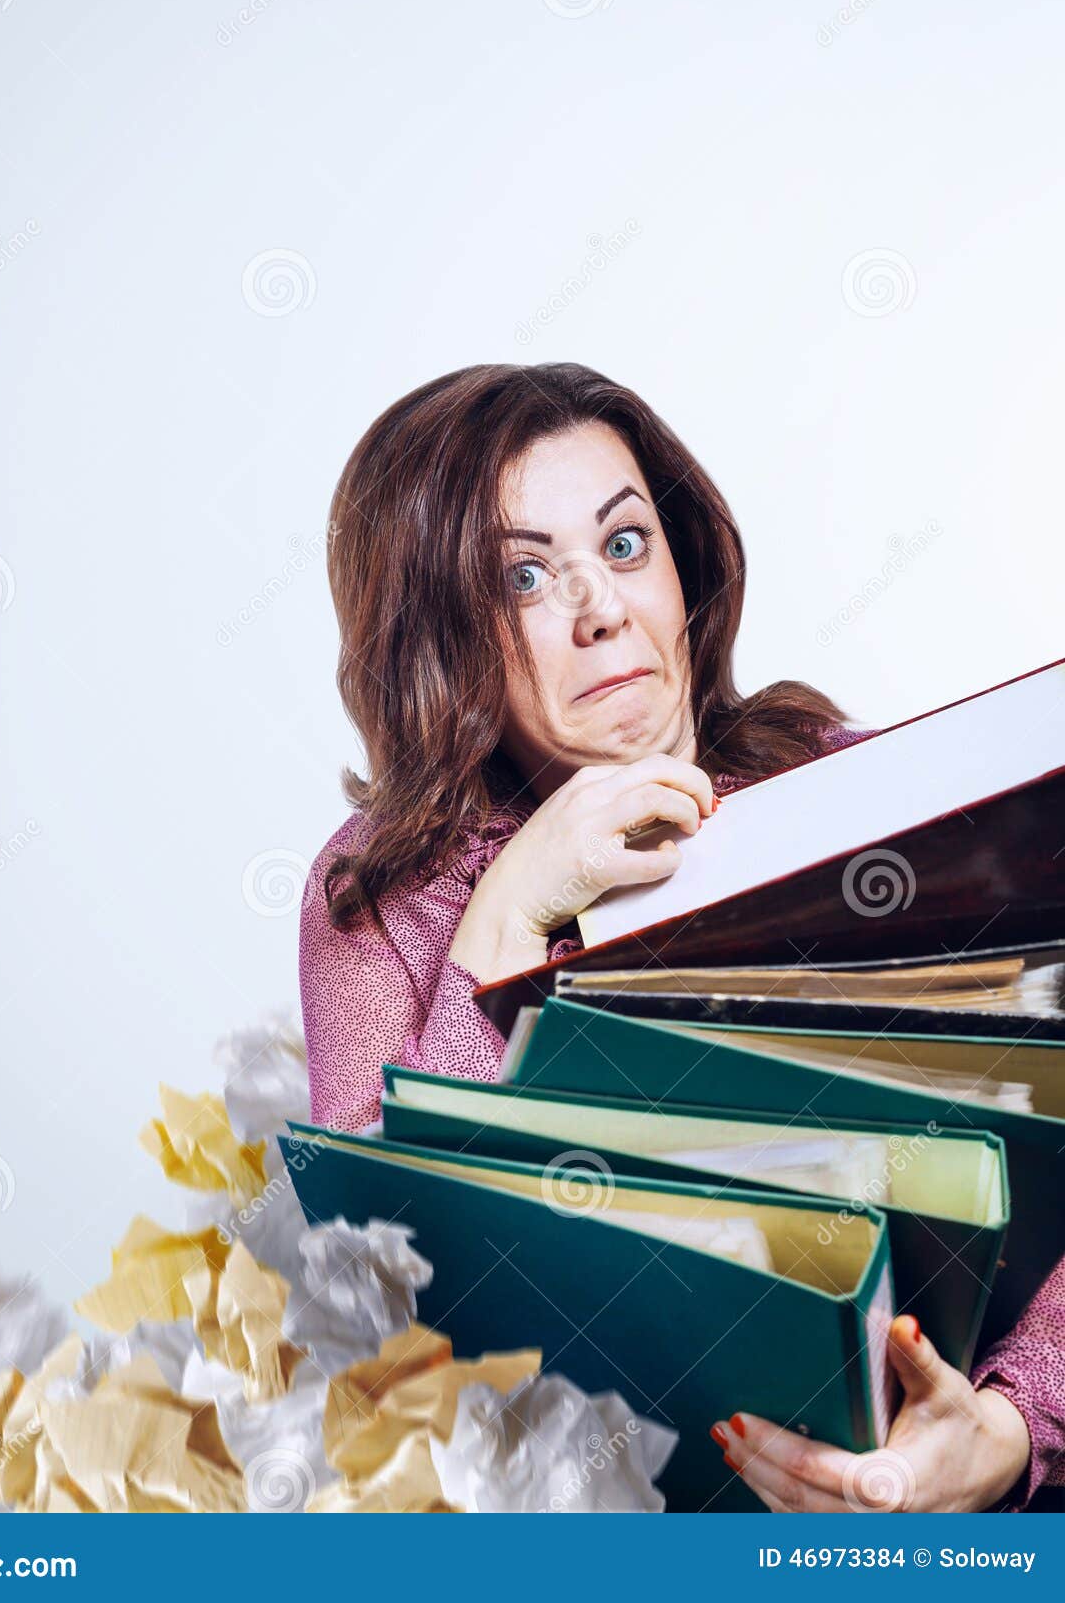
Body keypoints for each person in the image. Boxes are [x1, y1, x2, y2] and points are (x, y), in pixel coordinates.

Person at [298, 360, 1062, 1510]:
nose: (601, 608)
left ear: (682, 567)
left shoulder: (839, 784)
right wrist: (507, 912)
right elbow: (377, 1293)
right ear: (434, 631)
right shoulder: (382, 893)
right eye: (522, 576)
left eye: (624, 544)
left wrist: (1009, 1426)